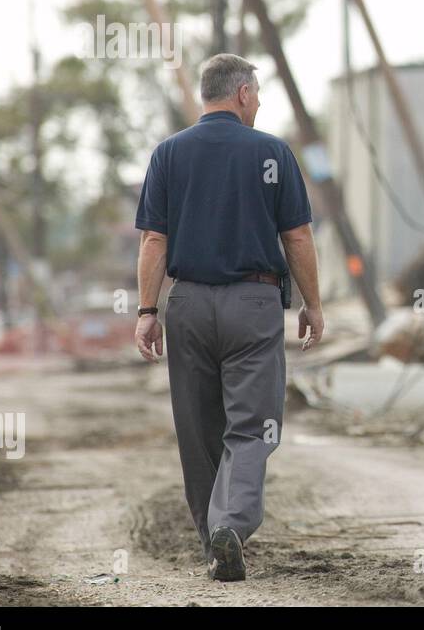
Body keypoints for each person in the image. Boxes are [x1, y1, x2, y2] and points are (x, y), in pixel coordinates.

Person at [133, 53, 325, 581]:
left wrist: (148, 311)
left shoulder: (168, 154)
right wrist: (312, 303)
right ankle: (232, 526)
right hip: (253, 304)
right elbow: (298, 237)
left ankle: (213, 543)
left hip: (188, 303)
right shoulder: (272, 152)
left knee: (198, 431)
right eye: (257, 94)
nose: (259, 103)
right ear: (242, 94)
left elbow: (154, 239)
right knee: (251, 426)